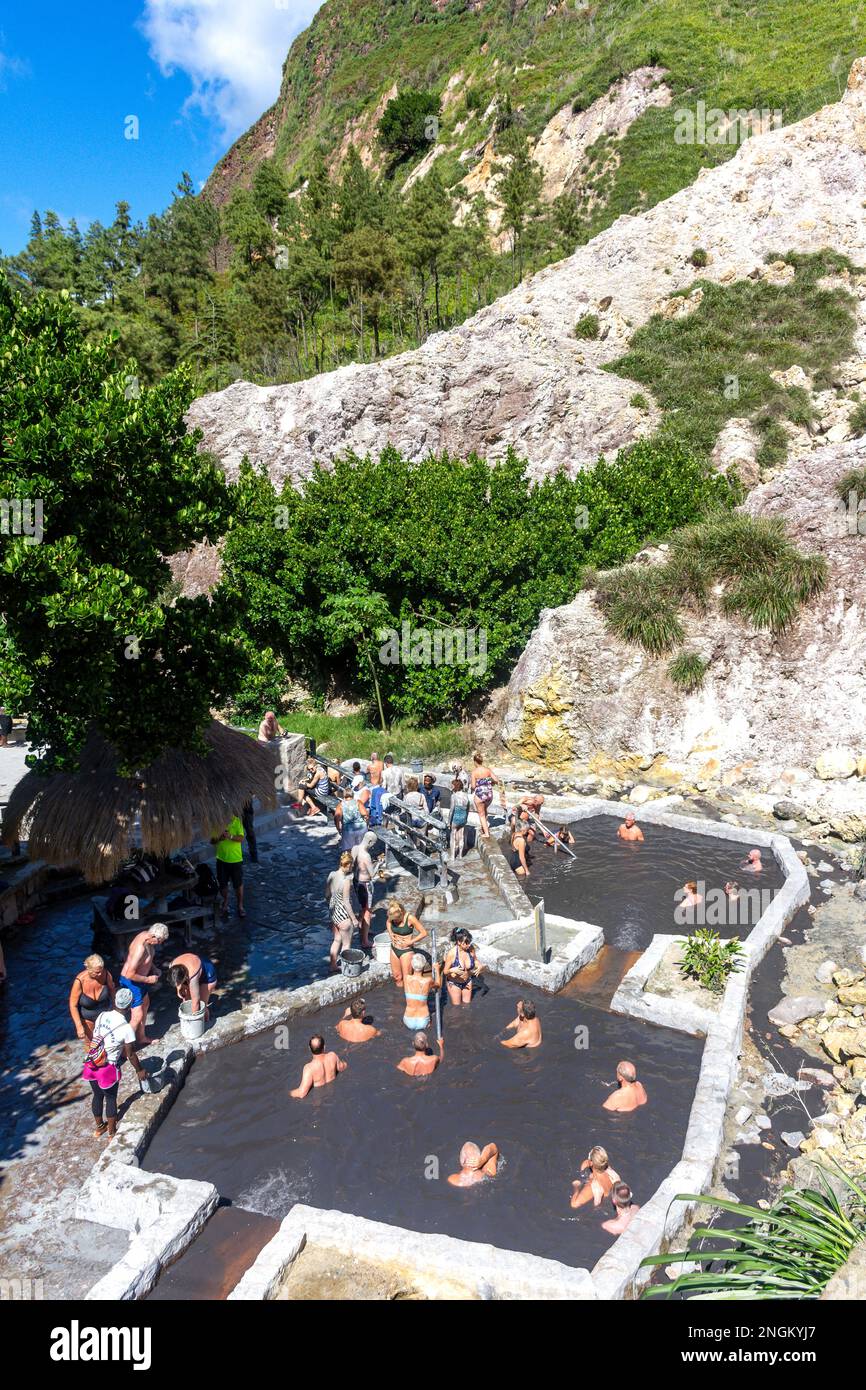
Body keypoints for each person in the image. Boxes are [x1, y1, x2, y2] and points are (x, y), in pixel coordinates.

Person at [82, 987, 147, 1139]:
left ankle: (99, 1128)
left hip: (91, 1062)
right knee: (111, 1099)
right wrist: (140, 1070)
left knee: (97, 1096)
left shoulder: (102, 1015)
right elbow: (130, 1054)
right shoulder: (126, 1028)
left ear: (114, 1001)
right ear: (130, 1006)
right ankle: (112, 1132)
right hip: (107, 1068)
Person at [118, 922, 169, 1046]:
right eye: (160, 940)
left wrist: (154, 968)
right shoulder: (140, 948)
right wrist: (149, 979)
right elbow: (130, 973)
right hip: (131, 982)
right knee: (137, 1016)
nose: (160, 943)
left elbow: (145, 960)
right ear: (153, 936)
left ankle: (141, 1037)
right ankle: (124, 1047)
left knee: (145, 1004)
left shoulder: (145, 937)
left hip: (139, 981)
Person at [69, 954, 116, 1044]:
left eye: (101, 971)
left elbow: (112, 992)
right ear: (88, 969)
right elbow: (73, 1005)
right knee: (91, 1044)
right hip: (88, 1018)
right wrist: (79, 1026)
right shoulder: (80, 981)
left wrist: (115, 1009)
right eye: (96, 972)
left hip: (105, 1015)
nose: (100, 974)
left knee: (110, 1040)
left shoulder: (106, 975)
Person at [325, 852, 360, 972]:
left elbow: (327, 895)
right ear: (348, 865)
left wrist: (331, 907)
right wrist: (354, 919)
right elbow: (346, 901)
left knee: (336, 940)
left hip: (334, 913)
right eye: (351, 866)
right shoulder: (346, 881)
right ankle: (347, 970)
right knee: (346, 944)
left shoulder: (331, 875)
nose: (352, 868)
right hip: (344, 916)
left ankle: (333, 965)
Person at [386, 899, 427, 986]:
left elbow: (424, 933)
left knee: (407, 979)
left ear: (401, 914)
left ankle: (408, 998)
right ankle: (399, 998)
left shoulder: (410, 918)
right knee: (397, 977)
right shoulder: (392, 915)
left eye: (396, 920)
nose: (394, 922)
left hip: (406, 951)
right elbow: (388, 922)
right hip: (394, 949)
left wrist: (411, 941)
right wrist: (390, 933)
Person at [167, 952, 217, 1020]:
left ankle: (205, 1022)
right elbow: (177, 980)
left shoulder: (192, 975)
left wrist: (192, 1020)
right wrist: (179, 989)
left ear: (184, 977)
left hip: (208, 974)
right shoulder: (171, 966)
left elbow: (196, 1001)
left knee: (201, 1004)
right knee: (186, 999)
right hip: (191, 968)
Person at [213, 816, 246, 917]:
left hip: (235, 859)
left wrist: (230, 836)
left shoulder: (237, 822)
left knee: (238, 884)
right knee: (222, 884)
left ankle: (240, 906)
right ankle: (225, 902)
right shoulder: (216, 822)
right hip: (221, 859)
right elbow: (212, 841)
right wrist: (219, 838)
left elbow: (241, 838)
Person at [350, 831, 377, 949]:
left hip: (356, 881)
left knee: (362, 906)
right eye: (373, 844)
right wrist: (379, 864)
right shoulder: (366, 856)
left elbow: (353, 865)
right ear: (370, 841)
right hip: (365, 884)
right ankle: (365, 941)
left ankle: (363, 926)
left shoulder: (355, 848)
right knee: (367, 911)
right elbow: (372, 874)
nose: (373, 846)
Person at [442, 928, 482, 1005]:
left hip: (467, 981)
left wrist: (480, 966)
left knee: (467, 1006)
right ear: (459, 942)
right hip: (454, 983)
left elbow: (476, 960)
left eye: (469, 942)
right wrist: (452, 970)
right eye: (466, 943)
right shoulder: (452, 954)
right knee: (457, 1008)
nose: (469, 945)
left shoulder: (471, 949)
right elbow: (445, 971)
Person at [403, 952, 438, 1031]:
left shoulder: (406, 978)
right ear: (424, 966)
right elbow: (438, 985)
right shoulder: (428, 981)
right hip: (423, 1020)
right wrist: (437, 970)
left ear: (412, 965)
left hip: (408, 1019)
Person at [470, 751, 501, 839]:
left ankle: (486, 833)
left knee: (481, 814)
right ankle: (485, 828)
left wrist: (475, 786)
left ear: (475, 762)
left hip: (480, 795)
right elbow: (496, 780)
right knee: (485, 810)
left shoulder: (474, 772)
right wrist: (490, 782)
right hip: (489, 794)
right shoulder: (488, 770)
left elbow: (472, 786)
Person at [334, 787, 366, 853]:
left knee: (348, 849)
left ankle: (349, 860)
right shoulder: (358, 802)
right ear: (353, 794)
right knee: (361, 847)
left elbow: (337, 818)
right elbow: (364, 813)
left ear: (344, 795)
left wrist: (338, 828)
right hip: (361, 828)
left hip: (348, 830)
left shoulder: (340, 805)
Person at [448, 777, 471, 861]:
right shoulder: (466, 796)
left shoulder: (454, 796)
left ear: (455, 786)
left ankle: (452, 856)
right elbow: (468, 809)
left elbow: (451, 810)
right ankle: (461, 855)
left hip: (456, 818)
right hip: (463, 818)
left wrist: (448, 822)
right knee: (461, 836)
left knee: (453, 836)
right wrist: (466, 818)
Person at [242, 799, 258, 864]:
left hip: (247, 813)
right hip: (237, 812)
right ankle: (238, 855)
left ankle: (253, 853)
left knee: (250, 833)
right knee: (237, 833)